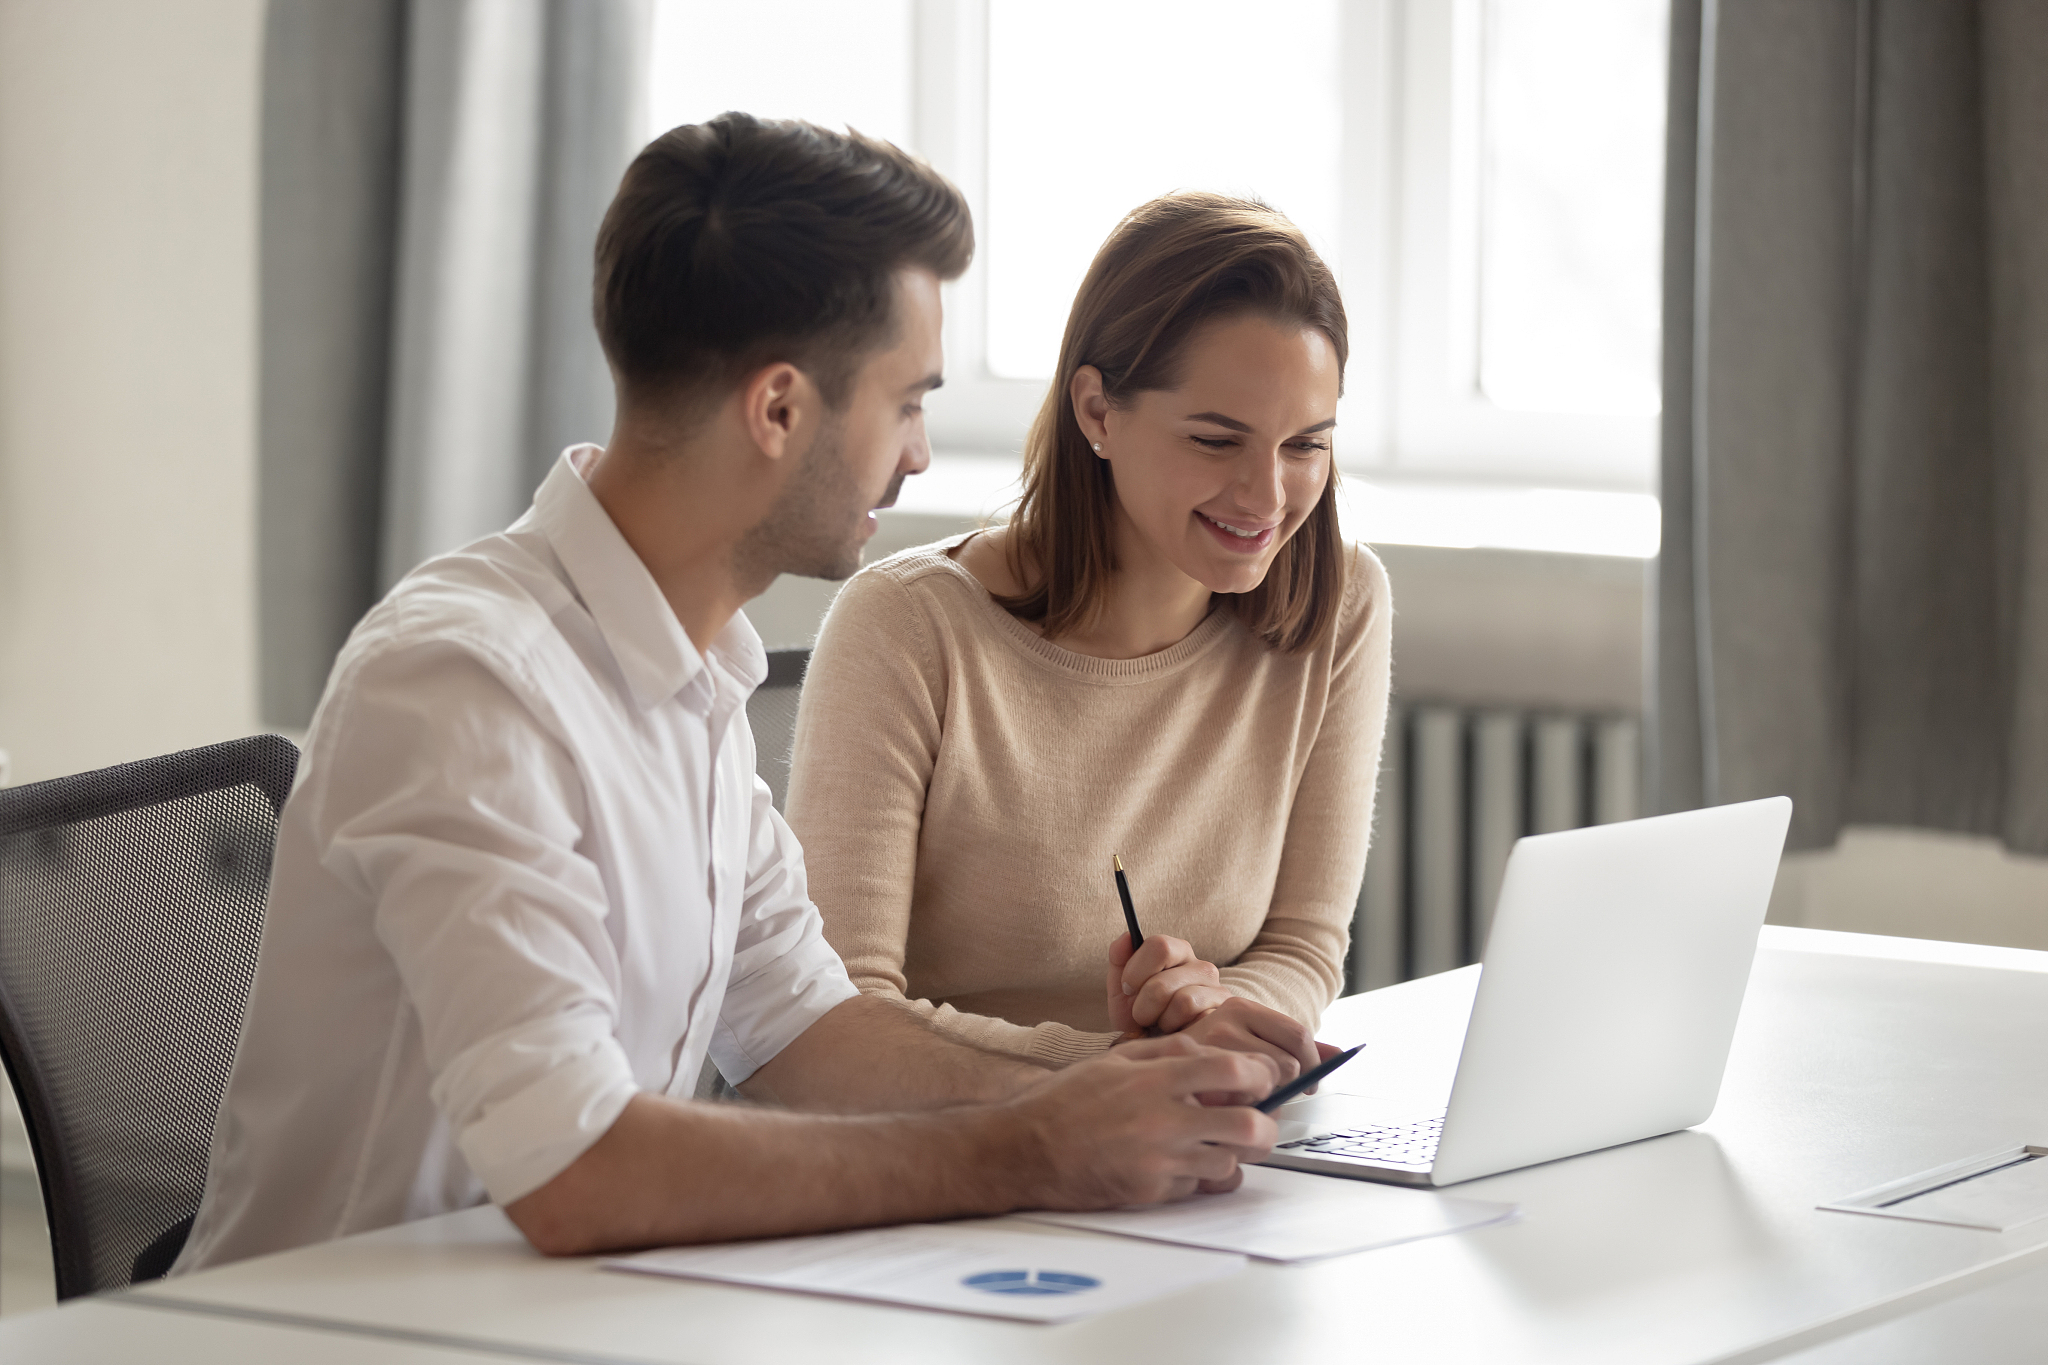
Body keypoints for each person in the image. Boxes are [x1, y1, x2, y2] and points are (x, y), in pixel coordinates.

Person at [173, 117, 1282, 1274]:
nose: (916, 456)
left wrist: (1113, 1085)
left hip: (561, 1318)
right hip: (336, 1334)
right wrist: (1027, 1148)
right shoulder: (465, 683)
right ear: (779, 410)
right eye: (906, 402)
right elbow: (574, 1168)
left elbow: (807, 1031)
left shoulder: (692, 669)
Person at [786, 193, 1391, 1084]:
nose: (1267, 499)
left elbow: (1302, 944)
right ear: (1098, 411)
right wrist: (1113, 1070)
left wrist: (1214, 1014)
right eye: (1218, 440)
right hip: (944, 1148)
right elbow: (838, 1010)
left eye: (1306, 444)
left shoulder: (1338, 607)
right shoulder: (909, 626)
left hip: (1185, 1142)